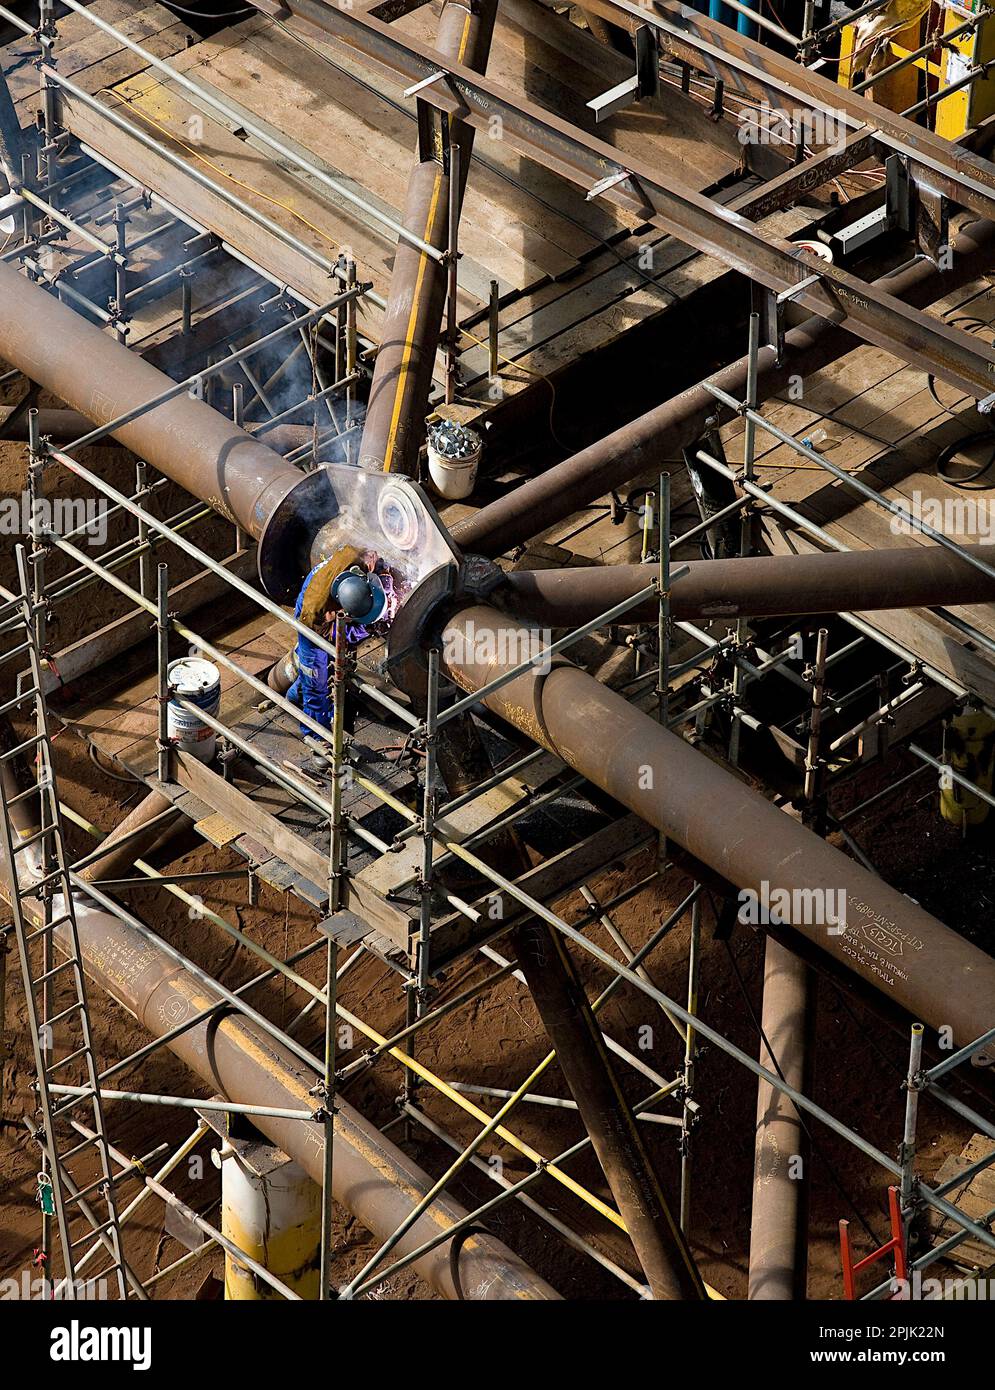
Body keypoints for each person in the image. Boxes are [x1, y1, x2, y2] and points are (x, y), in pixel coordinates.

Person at [286, 555, 390, 736]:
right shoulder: (315, 615)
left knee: (340, 664)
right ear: (342, 612)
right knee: (316, 681)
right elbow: (336, 635)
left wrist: (384, 580)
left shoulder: (359, 564)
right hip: (314, 628)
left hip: (330, 600)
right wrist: (363, 630)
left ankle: (296, 694)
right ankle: (317, 737)